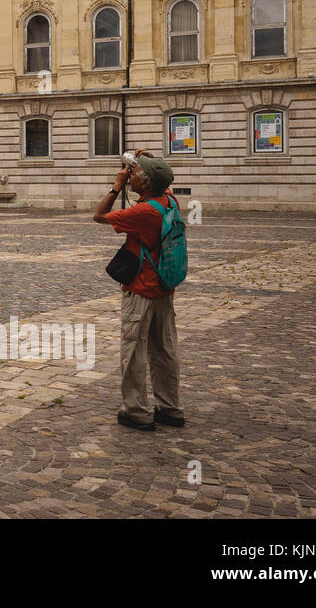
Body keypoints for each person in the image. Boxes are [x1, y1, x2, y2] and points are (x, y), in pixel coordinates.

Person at [92, 149, 186, 431]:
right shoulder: (169, 200)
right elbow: (161, 176)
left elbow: (99, 215)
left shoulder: (143, 212)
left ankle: (137, 411)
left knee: (133, 350)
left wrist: (116, 186)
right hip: (164, 287)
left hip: (141, 288)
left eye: (134, 173)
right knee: (164, 349)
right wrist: (149, 159)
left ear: (145, 183)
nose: (130, 175)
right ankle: (170, 408)